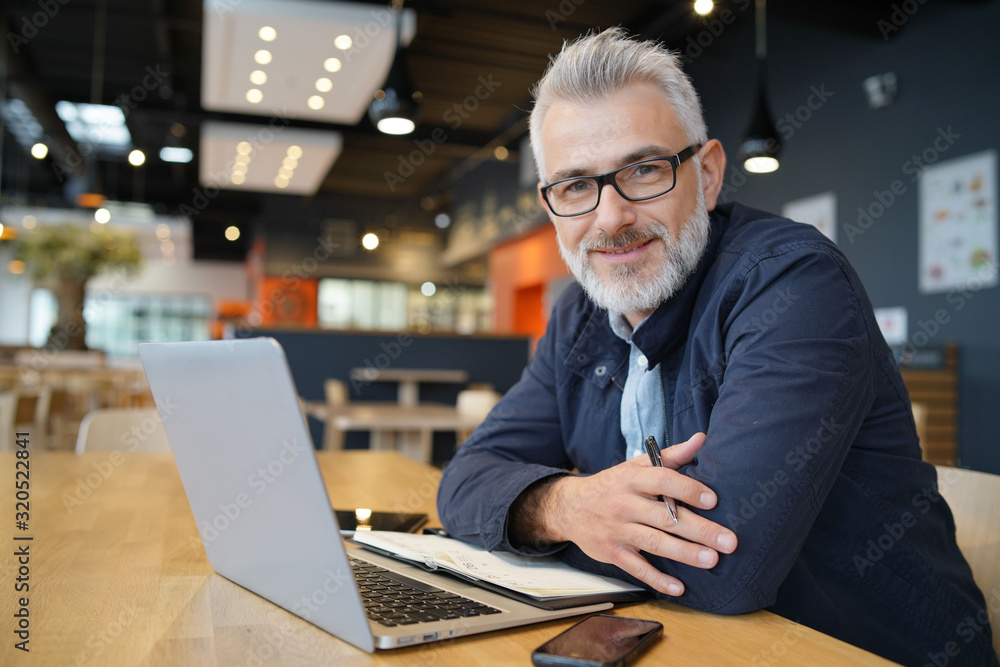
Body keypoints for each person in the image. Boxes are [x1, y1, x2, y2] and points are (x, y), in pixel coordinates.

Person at [436, 28, 998, 667]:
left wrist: (528, 516)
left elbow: (725, 567)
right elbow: (464, 480)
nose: (610, 216)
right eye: (574, 186)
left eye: (643, 169)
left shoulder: (795, 283)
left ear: (705, 174)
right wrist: (568, 505)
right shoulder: (579, 317)